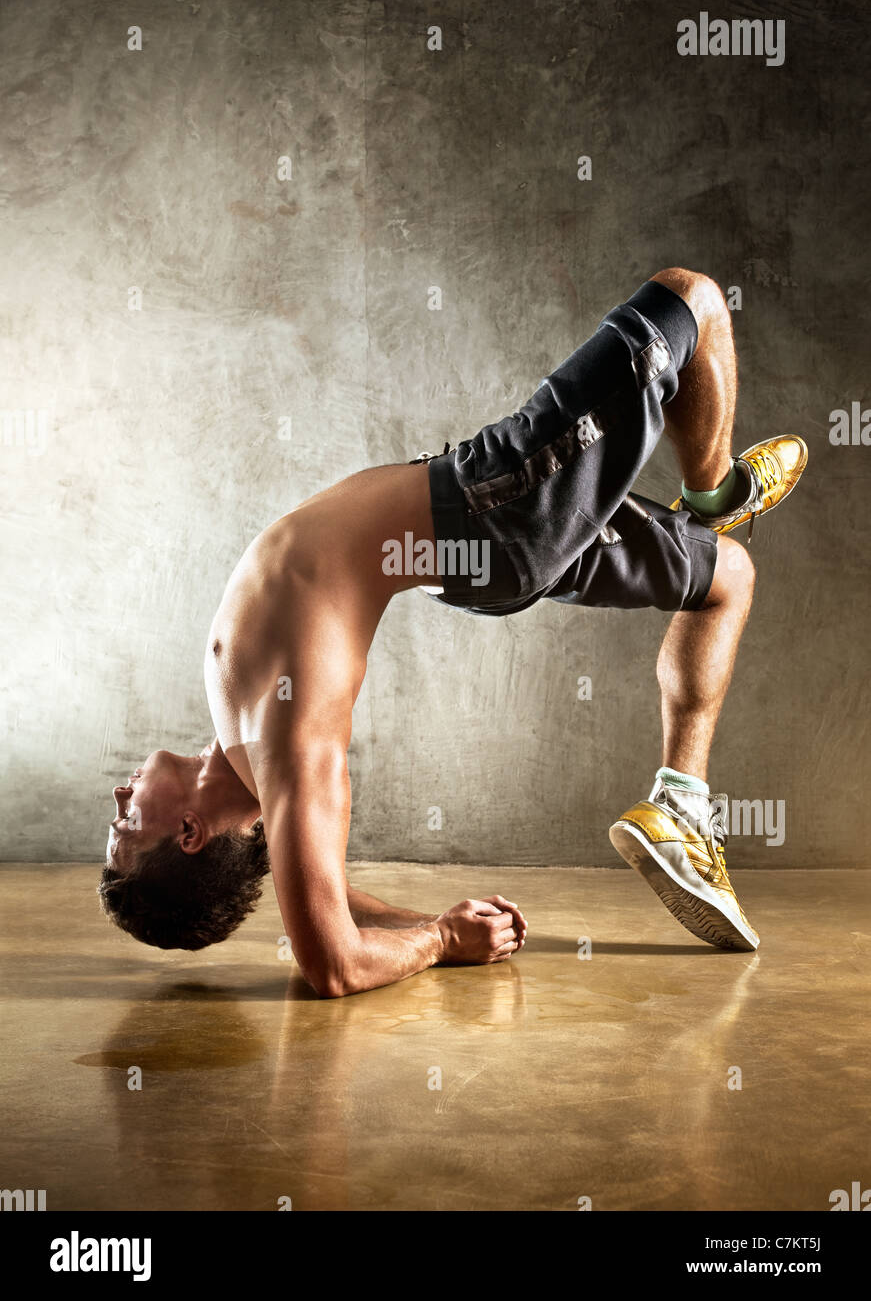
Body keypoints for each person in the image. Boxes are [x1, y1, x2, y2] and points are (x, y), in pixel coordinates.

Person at [99, 267, 806, 995]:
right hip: (492, 509)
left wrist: (435, 921)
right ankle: (717, 489)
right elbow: (331, 964)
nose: (117, 804)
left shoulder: (262, 781)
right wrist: (439, 939)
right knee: (690, 297)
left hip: (478, 560)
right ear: (187, 834)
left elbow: (326, 897)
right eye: (125, 831)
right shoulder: (286, 749)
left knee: (727, 579)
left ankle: (680, 801)